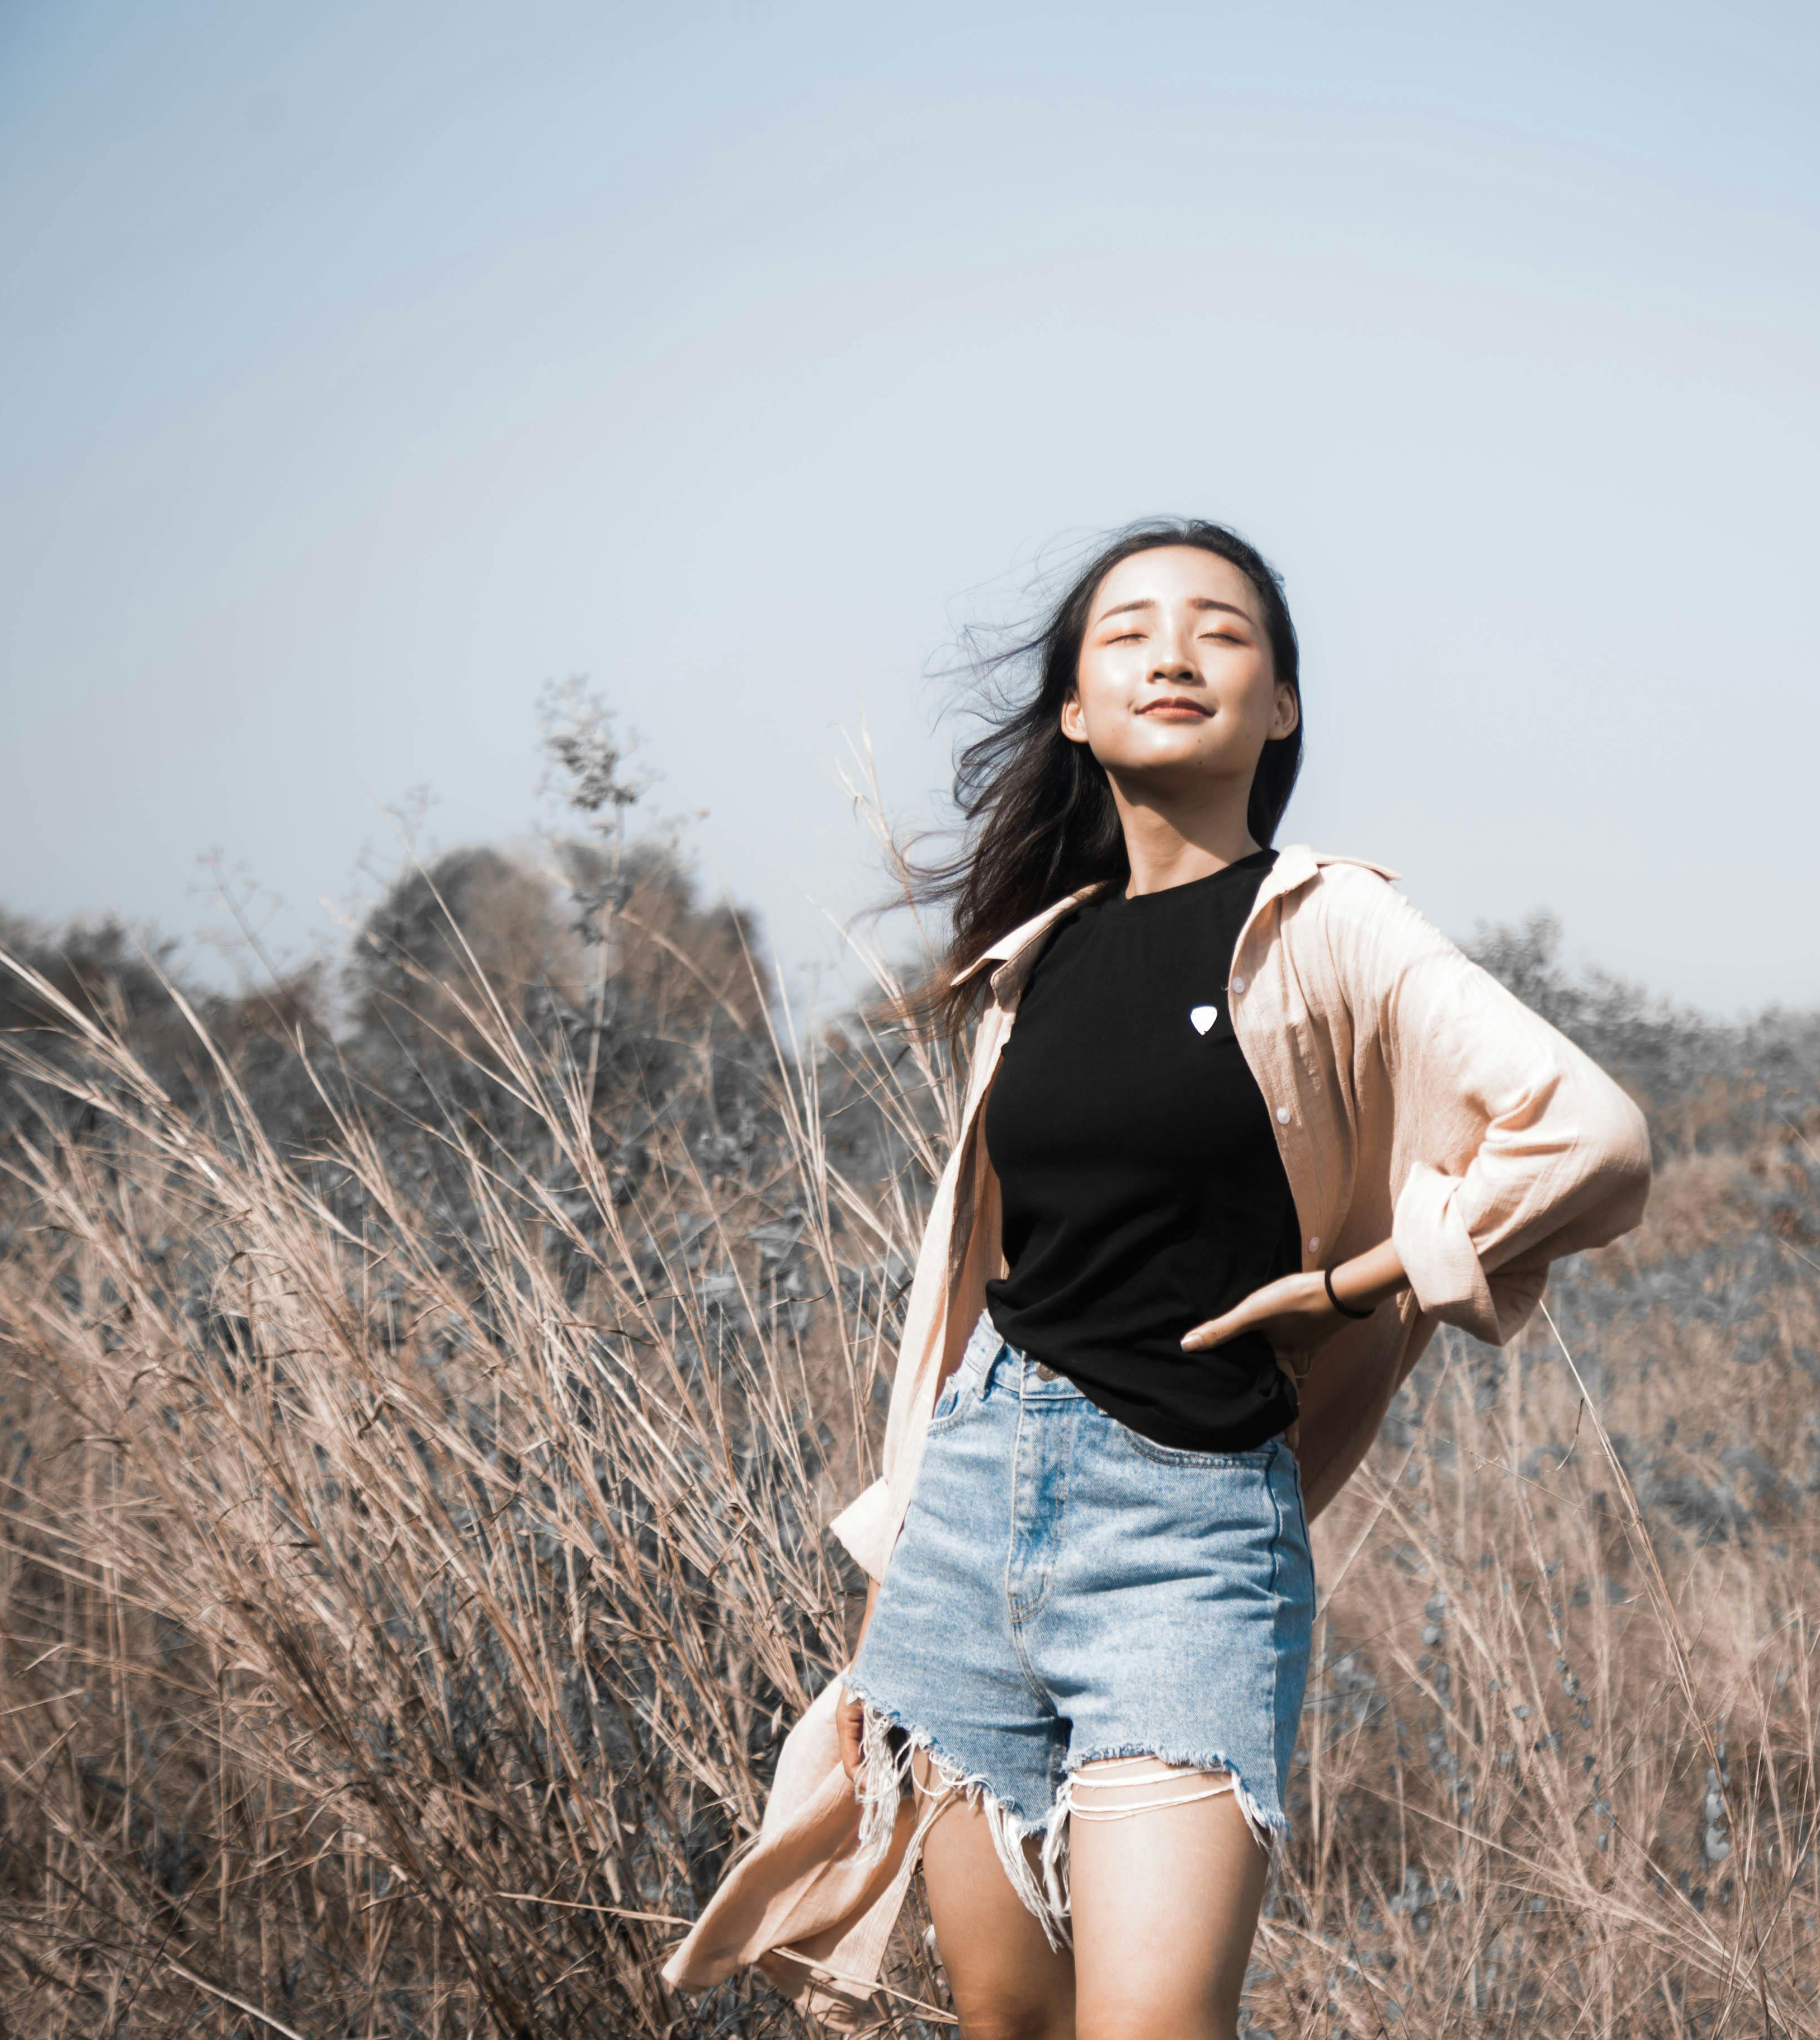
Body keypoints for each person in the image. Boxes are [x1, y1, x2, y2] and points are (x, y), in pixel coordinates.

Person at [661, 520, 1650, 2038]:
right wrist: (904, 1569)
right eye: (1126, 633)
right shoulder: (1030, 962)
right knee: (1007, 2024)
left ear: (1284, 706)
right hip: (969, 1523)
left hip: (1185, 1536)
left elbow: (1593, 1136)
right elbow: (984, 1287)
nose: (1173, 652)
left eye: (1223, 631)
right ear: (1073, 707)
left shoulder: (1326, 927)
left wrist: (1359, 1284)